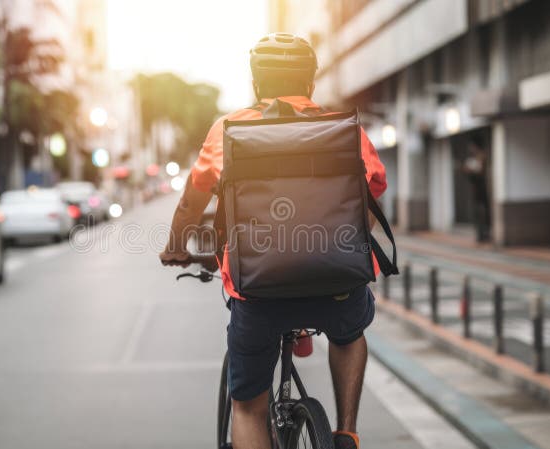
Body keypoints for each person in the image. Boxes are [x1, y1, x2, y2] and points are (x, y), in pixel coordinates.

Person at [159, 33, 388, 449]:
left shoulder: (229, 130)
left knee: (248, 409)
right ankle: (346, 431)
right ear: (310, 82)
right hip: (337, 284)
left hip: (258, 290)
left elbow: (192, 202)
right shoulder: (343, 129)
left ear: (256, 83)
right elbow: (372, 193)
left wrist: (176, 245)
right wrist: (339, 246)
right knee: (350, 331)